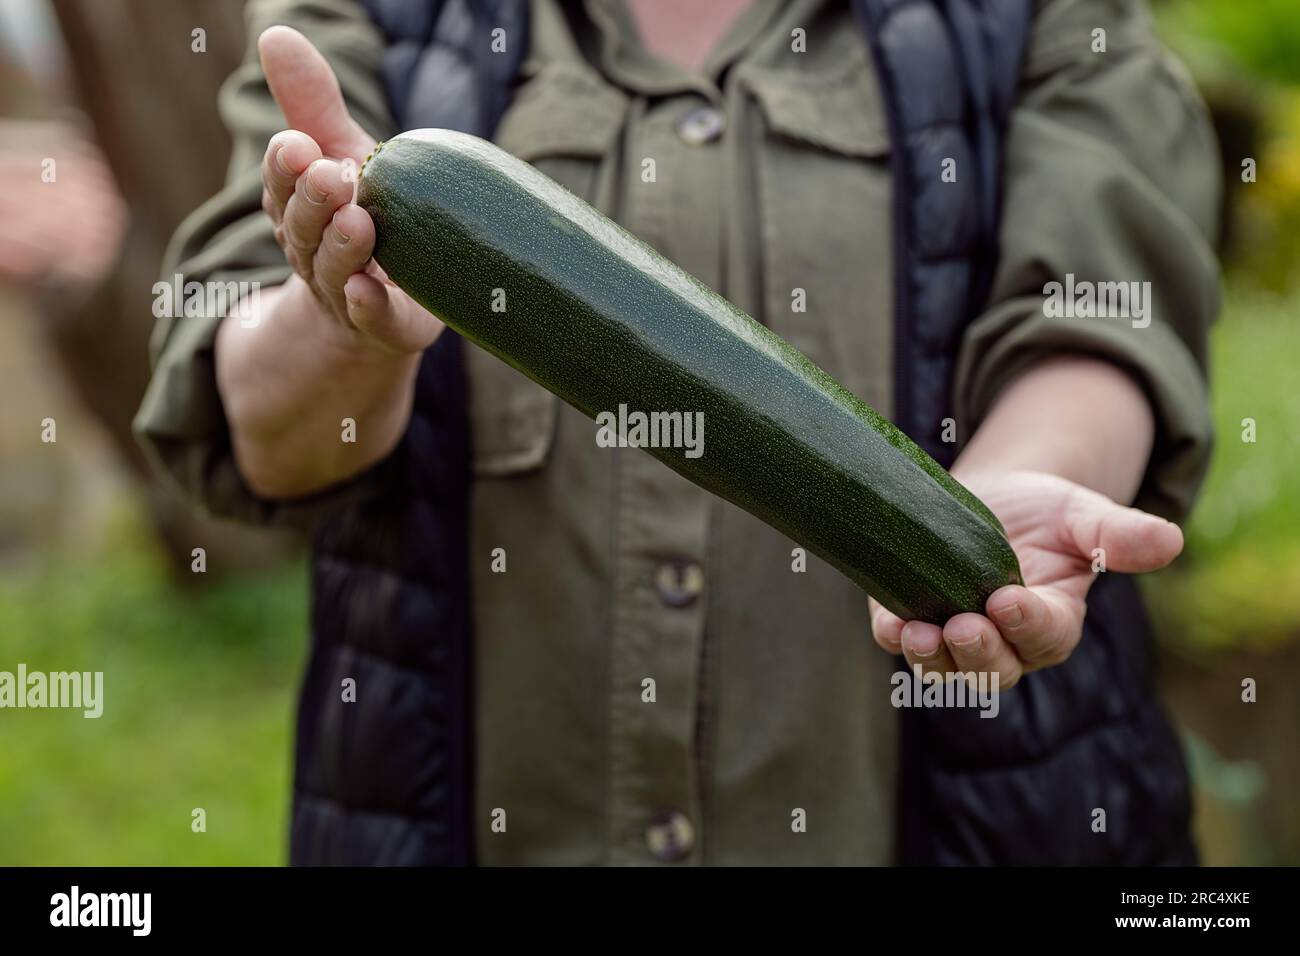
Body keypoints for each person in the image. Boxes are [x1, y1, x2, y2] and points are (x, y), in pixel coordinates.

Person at [136, 0, 1221, 865]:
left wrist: (1017, 486)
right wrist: (351, 328)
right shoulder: (380, 14)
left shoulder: (1035, 16)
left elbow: (1092, 307)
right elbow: (265, 433)